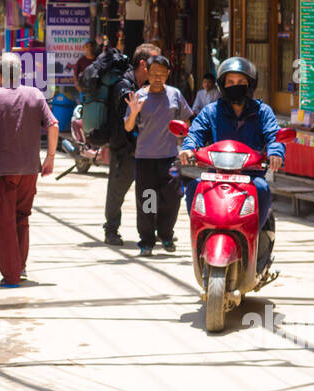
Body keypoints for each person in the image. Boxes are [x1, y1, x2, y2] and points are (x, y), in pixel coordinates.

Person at [179, 57, 285, 266]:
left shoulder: (262, 112)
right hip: (216, 175)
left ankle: (254, 236)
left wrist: (275, 152)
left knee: (262, 189)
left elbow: (274, 135)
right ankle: (203, 236)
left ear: (250, 84)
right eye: (230, 82)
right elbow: (195, 133)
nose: (235, 86)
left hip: (250, 177)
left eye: (240, 81)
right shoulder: (211, 111)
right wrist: (188, 148)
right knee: (193, 188)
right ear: (222, 85)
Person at [0, 52, 59, 287]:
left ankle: (12, 276)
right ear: (21, 74)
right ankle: (20, 266)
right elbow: (54, 125)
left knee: (3, 222)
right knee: (21, 218)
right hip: (30, 170)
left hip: (4, 170)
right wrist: (50, 158)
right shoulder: (35, 94)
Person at [123, 55, 193, 255]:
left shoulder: (175, 95)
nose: (157, 77)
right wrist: (134, 112)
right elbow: (128, 127)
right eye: (154, 73)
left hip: (170, 157)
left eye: (162, 74)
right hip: (145, 159)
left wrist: (184, 136)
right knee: (148, 200)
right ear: (147, 73)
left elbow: (187, 121)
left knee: (171, 198)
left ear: (168, 74)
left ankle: (166, 234)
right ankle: (147, 240)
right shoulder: (139, 96)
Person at [101, 43, 159, 247]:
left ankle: (152, 228)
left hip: (147, 150)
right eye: (155, 62)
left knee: (149, 192)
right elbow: (125, 113)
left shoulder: (148, 87)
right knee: (117, 190)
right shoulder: (124, 84)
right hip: (125, 149)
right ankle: (111, 229)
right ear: (143, 64)